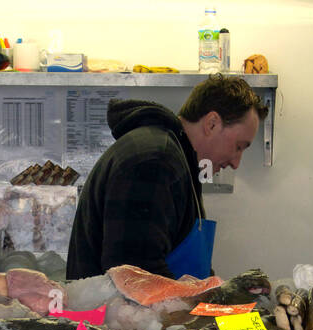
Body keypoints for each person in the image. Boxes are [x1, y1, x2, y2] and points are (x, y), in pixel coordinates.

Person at [66, 74, 268, 281]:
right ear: (212, 123)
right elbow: (137, 277)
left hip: (152, 312)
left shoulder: (178, 159)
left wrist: (222, 299)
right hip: (114, 313)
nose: (236, 163)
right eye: (238, 147)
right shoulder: (155, 160)